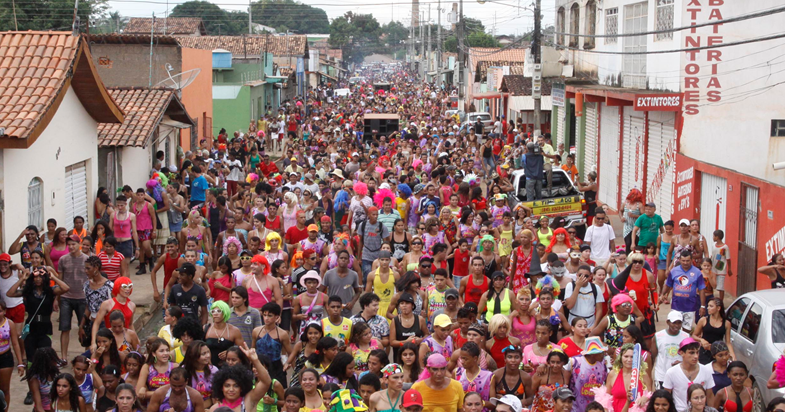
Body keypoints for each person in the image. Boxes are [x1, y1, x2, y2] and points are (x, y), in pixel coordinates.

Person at [663, 338, 715, 411]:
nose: (696, 356)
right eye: (691, 353)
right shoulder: (671, 372)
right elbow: (666, 398)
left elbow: (710, 396)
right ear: (682, 353)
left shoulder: (706, 371)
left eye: (697, 352)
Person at [660, 251, 706, 332]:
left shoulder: (697, 272)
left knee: (686, 330)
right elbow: (668, 284)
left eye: (687, 261)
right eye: (683, 261)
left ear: (691, 260)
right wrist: (662, 295)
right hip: (676, 305)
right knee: (674, 328)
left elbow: (702, 289)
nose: (685, 263)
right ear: (680, 260)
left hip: (690, 306)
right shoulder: (674, 271)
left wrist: (702, 306)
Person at [651, 311, 689, 389]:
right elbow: (653, 357)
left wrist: (682, 363)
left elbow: (689, 356)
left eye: (679, 323)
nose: (677, 325)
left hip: (679, 375)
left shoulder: (686, 337)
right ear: (668, 322)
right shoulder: (658, 336)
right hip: (661, 376)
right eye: (674, 322)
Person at [692, 297, 735, 365]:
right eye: (708, 306)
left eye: (711, 306)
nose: (708, 308)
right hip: (705, 352)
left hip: (719, 352)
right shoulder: (703, 320)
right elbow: (694, 335)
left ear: (718, 308)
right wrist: (701, 340)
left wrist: (733, 356)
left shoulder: (726, 323)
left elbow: (728, 342)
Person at [321, 250, 362, 318]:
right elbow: (320, 291)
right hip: (333, 310)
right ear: (337, 260)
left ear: (349, 261)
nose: (343, 260)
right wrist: (327, 304)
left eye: (345, 258)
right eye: (341, 258)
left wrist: (352, 302)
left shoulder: (353, 275)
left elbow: (358, 292)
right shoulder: (328, 274)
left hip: (347, 311)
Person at [454, 342, 493, 408]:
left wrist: (479, 403)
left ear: (475, 358)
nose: (462, 361)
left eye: (465, 359)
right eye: (461, 358)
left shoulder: (488, 376)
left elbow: (493, 403)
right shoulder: (457, 373)